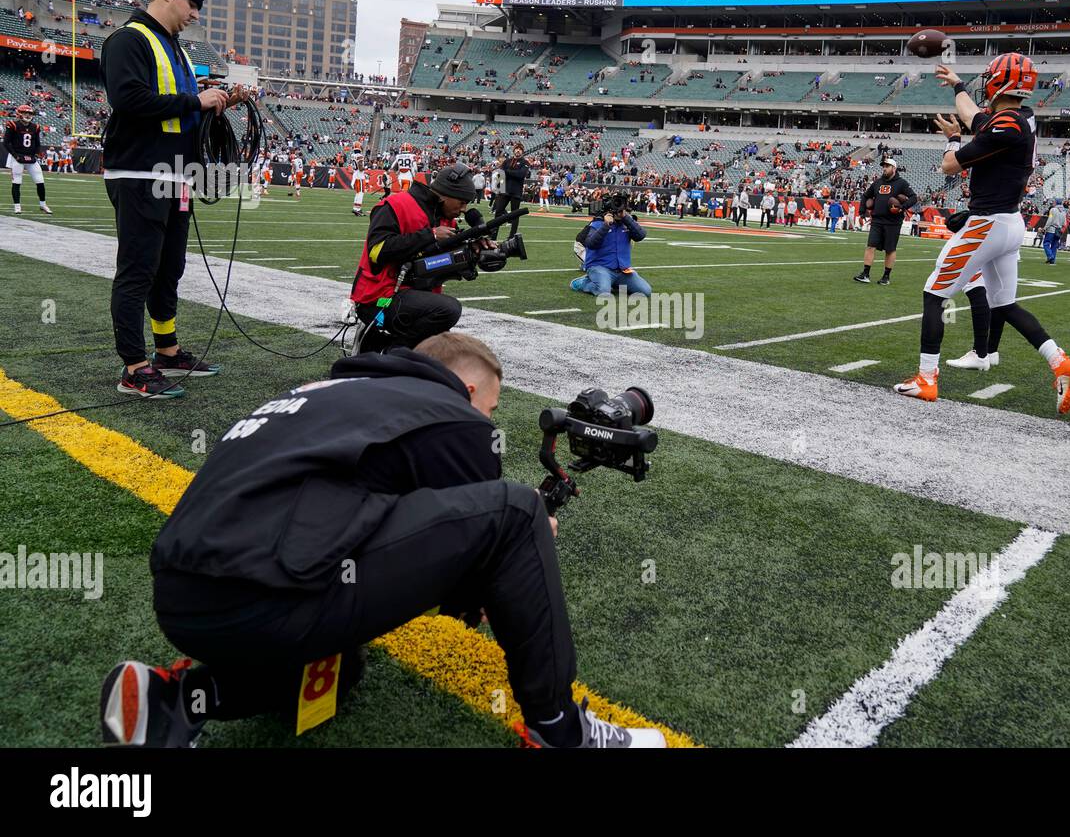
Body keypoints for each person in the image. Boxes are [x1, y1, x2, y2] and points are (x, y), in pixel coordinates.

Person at [100, 333, 665, 749]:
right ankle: (561, 731)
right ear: (467, 388)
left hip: (184, 599)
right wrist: (529, 535)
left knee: (338, 671)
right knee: (517, 510)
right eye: (489, 408)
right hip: (265, 597)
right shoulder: (448, 412)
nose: (487, 421)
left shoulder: (322, 393)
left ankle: (181, 700)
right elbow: (473, 566)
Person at [895, 54, 1070, 413]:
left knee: (934, 295)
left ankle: (926, 379)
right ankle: (1060, 361)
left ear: (999, 82)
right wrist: (957, 84)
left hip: (988, 223)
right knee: (1005, 304)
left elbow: (950, 164)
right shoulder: (1020, 118)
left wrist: (952, 140)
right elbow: (973, 116)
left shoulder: (1006, 127)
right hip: (1010, 222)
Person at [102, 0, 253, 399]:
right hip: (141, 172)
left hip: (175, 175)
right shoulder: (128, 39)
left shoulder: (176, 48)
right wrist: (195, 99)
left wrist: (218, 98)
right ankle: (134, 367)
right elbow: (128, 98)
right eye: (192, 5)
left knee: (169, 268)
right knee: (138, 270)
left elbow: (180, 99)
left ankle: (167, 351)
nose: (195, 15)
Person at [350, 162, 485, 351]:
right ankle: (388, 351)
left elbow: (443, 258)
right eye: (462, 202)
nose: (464, 209)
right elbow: (377, 251)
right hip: (378, 298)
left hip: (412, 292)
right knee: (447, 310)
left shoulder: (442, 215)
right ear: (444, 195)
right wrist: (430, 235)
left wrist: (474, 250)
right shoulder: (395, 205)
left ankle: (387, 349)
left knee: (438, 339)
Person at [569, 194, 651, 298]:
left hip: (623, 270)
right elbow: (591, 244)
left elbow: (641, 235)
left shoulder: (626, 223)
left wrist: (626, 217)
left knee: (646, 291)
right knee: (603, 292)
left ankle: (613, 283)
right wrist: (606, 226)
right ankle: (583, 282)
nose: (619, 209)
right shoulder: (598, 223)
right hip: (600, 267)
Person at [854, 157, 916, 285]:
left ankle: (886, 277)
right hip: (877, 220)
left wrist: (902, 207)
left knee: (890, 249)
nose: (884, 168)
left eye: (887, 166)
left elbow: (913, 197)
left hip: (893, 222)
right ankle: (865, 274)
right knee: (870, 246)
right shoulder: (877, 182)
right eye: (883, 166)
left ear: (894, 168)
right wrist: (862, 211)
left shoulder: (901, 183)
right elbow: (866, 195)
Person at [4, 104, 52, 214]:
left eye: (30, 113)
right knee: (17, 181)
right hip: (17, 156)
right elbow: (6, 143)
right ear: (19, 114)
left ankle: (43, 205)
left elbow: (37, 143)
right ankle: (17, 206)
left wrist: (36, 154)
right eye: (25, 113)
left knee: (40, 181)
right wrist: (15, 155)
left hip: (31, 157)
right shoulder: (13, 125)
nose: (28, 115)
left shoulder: (35, 127)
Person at [493, 144, 529, 238]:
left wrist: (507, 172)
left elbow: (521, 174)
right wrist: (498, 189)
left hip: (516, 192)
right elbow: (500, 174)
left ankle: (511, 237)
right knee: (498, 213)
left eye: (520, 149)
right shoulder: (507, 161)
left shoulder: (525, 162)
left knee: (514, 215)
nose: (518, 150)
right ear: (513, 150)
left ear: (522, 151)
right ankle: (493, 235)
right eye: (516, 149)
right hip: (504, 191)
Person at [1042, 198, 1068, 265]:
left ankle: (1050, 256)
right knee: (1054, 245)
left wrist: (1045, 228)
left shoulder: (1053, 210)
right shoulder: (1064, 211)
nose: (1053, 203)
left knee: (1046, 243)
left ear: (1056, 202)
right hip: (1058, 230)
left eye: (1054, 202)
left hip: (1051, 229)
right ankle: (1052, 261)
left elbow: (1050, 220)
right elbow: (1065, 224)